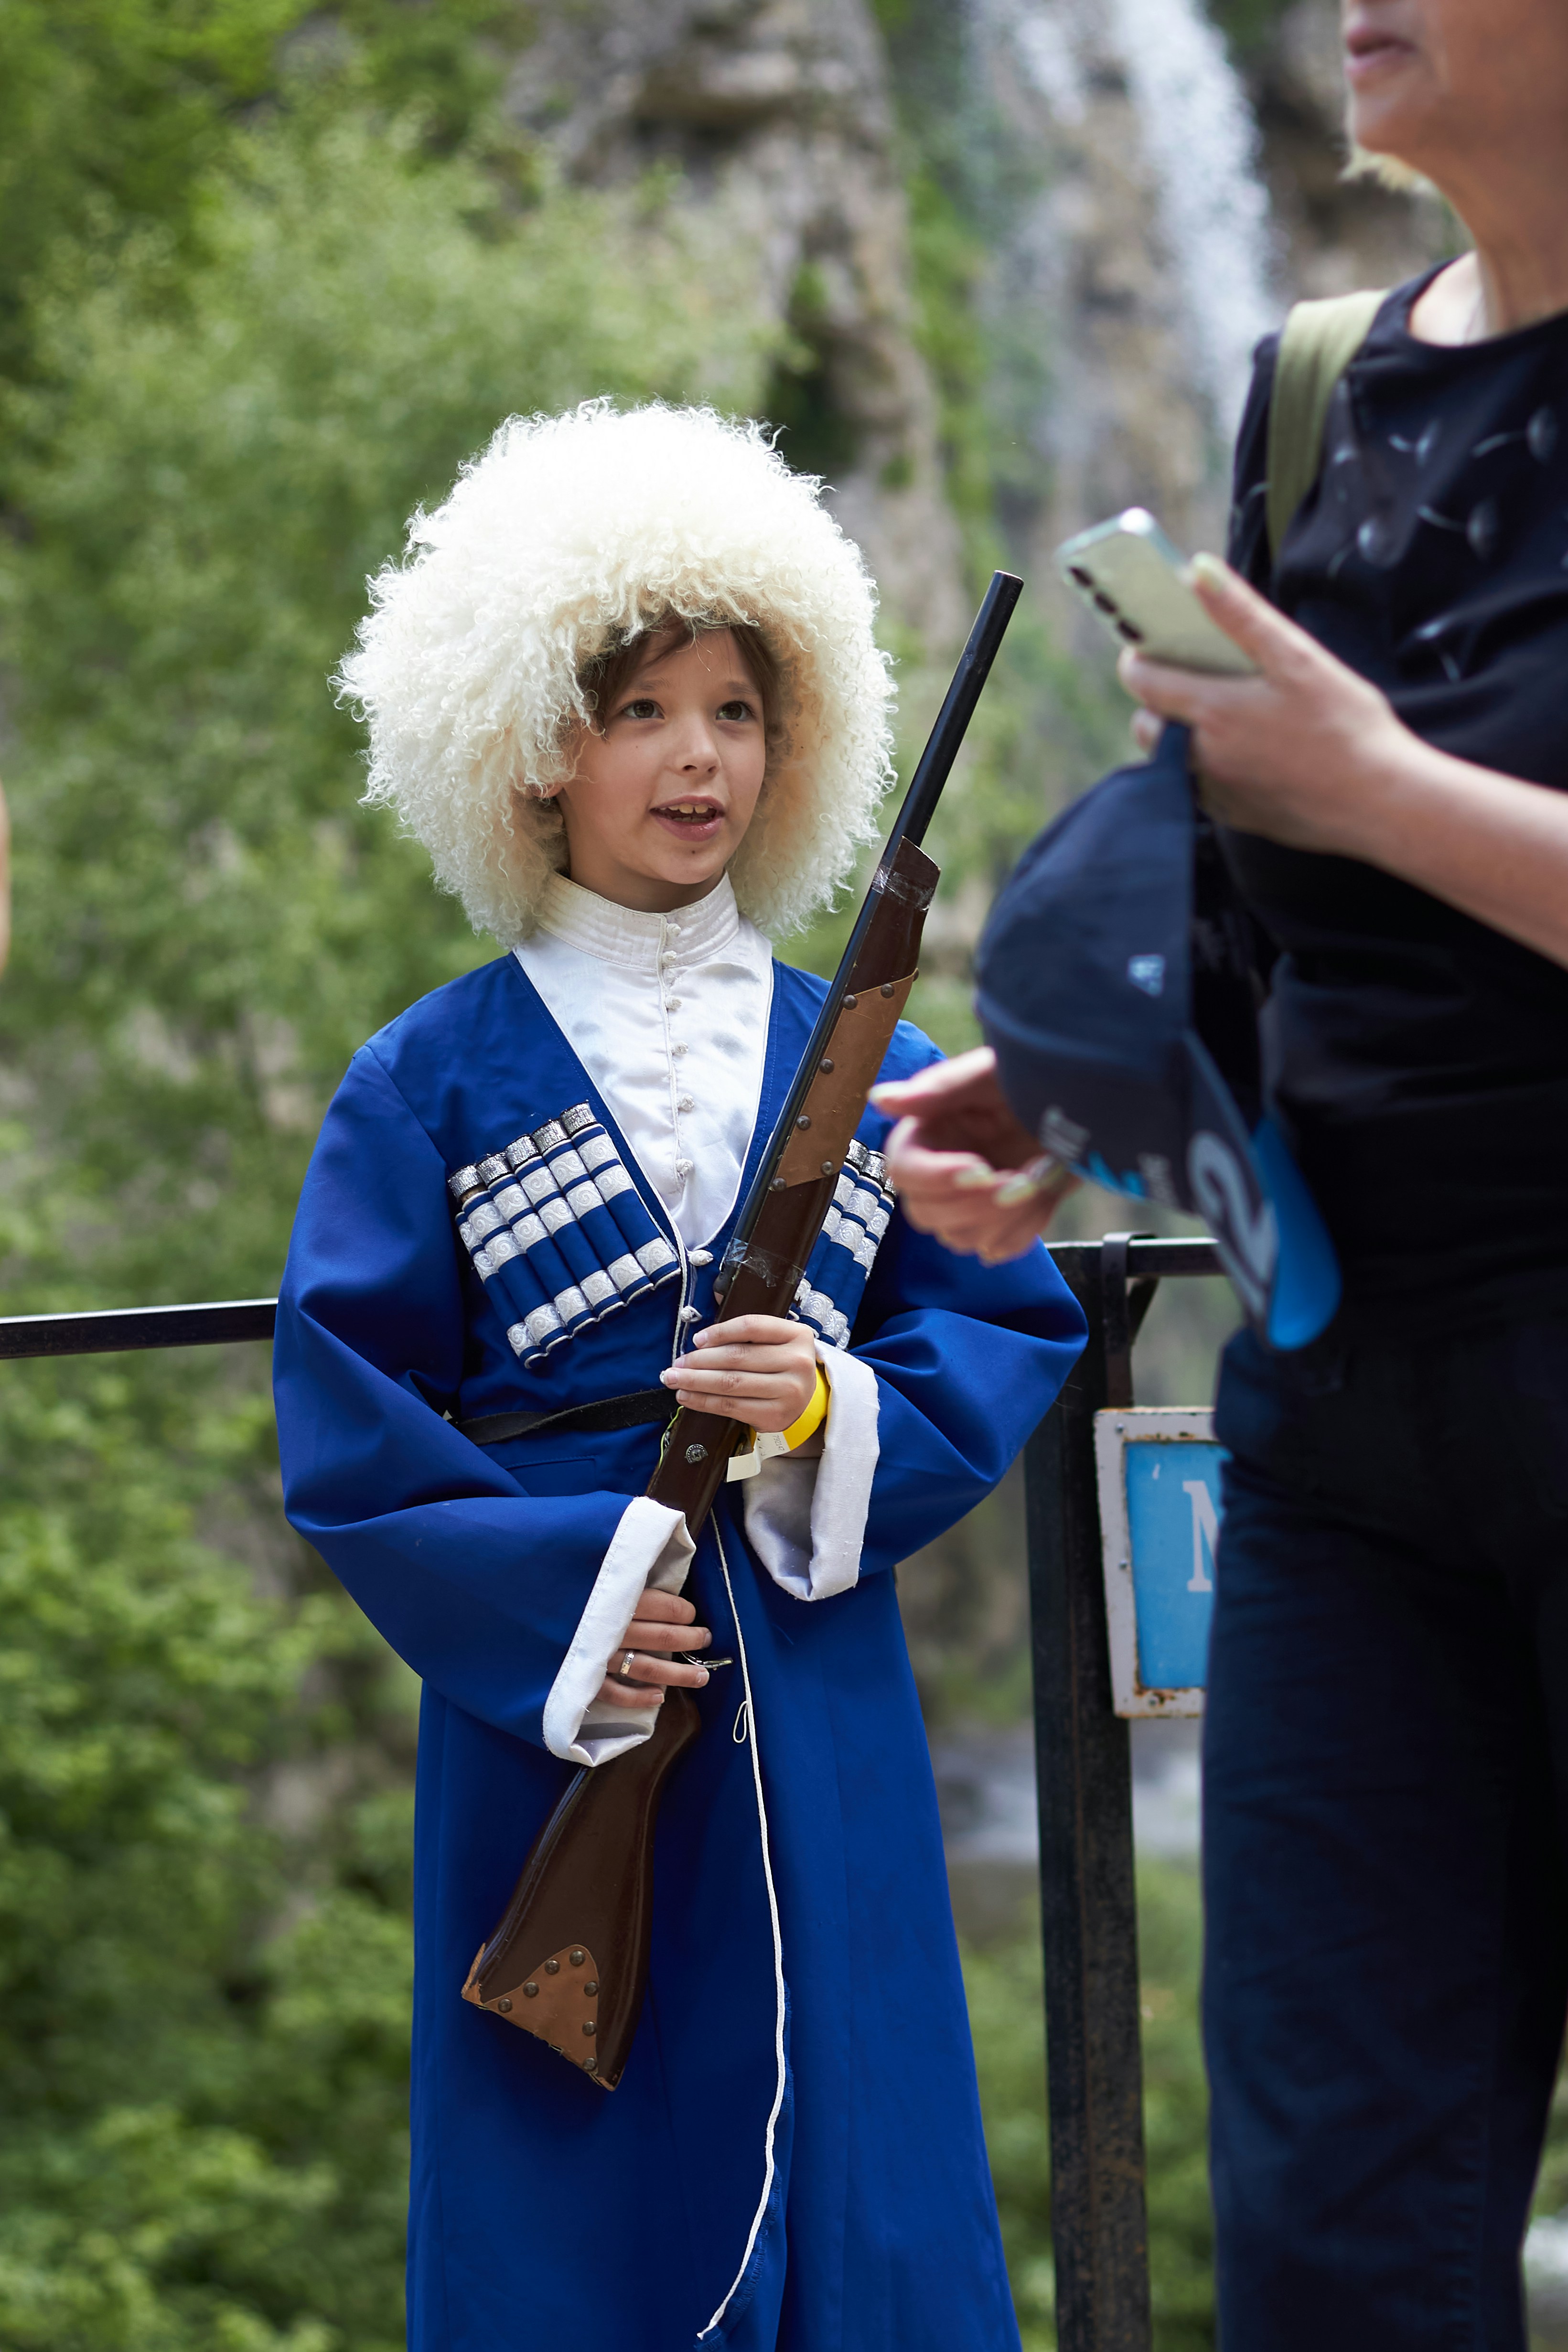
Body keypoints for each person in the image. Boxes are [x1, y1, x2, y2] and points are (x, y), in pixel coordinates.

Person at [875, 3, 1568, 2343]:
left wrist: (1375, 779)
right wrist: (1073, 1079)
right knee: (1331, 2263)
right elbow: (1280, 890)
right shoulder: (1307, 387)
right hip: (1332, 1426)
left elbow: (1355, 801)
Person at [273, 401, 1085, 2352]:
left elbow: (1002, 1312)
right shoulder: (427, 1077)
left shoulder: (867, 1055)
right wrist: (579, 1605)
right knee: (576, 2189)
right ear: (534, 747)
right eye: (641, 709)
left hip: (811, 1677)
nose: (698, 754)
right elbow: (356, 1430)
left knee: (859, 2164)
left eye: (734, 708)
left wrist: (822, 1411)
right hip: (565, 1702)